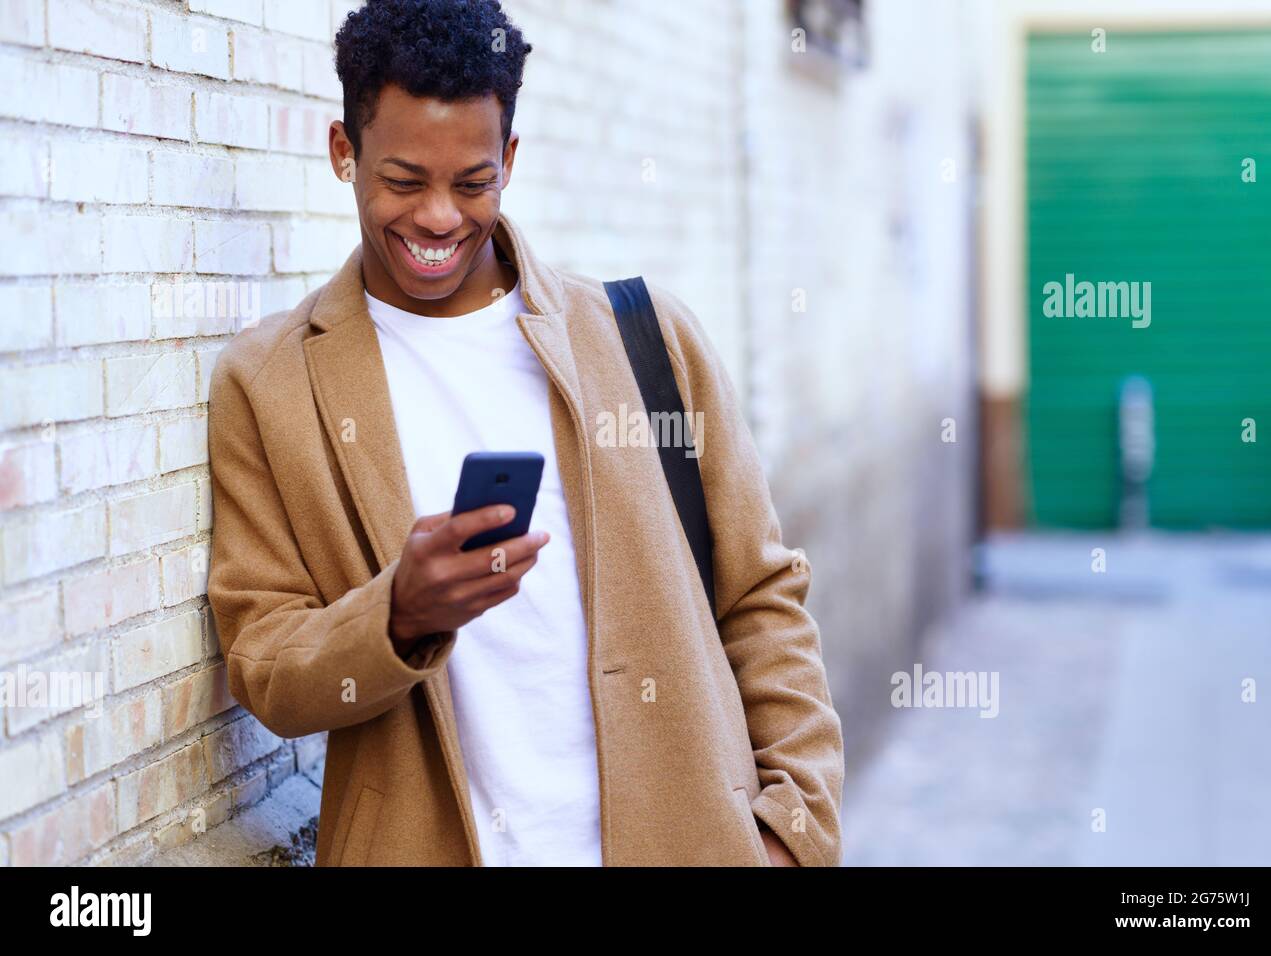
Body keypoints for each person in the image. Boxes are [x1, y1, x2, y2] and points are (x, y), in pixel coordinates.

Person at [207, 0, 844, 867]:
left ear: (509, 159)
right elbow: (266, 665)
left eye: (473, 182)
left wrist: (792, 834)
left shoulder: (643, 338)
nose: (438, 218)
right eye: (402, 181)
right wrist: (396, 616)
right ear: (343, 154)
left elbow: (760, 598)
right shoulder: (271, 383)